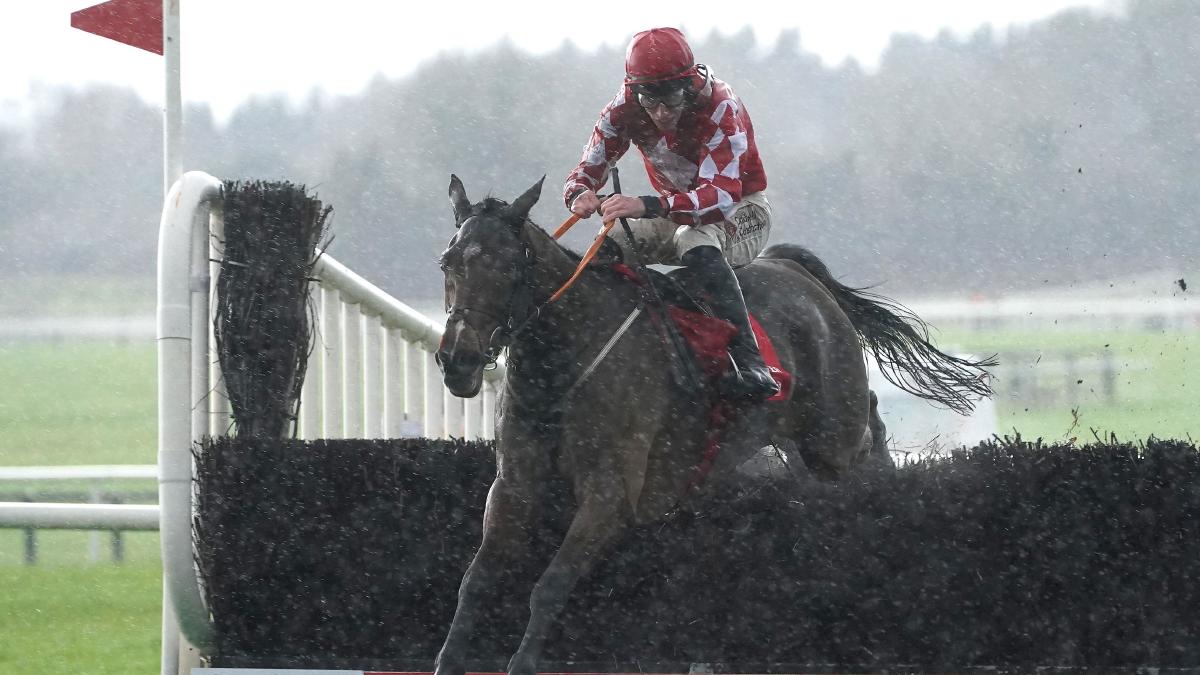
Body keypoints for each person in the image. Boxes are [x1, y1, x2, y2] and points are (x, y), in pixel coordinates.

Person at [563, 26, 780, 401]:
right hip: (678, 206)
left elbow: (720, 196)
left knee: (692, 237)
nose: (662, 113)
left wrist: (648, 205)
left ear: (690, 86)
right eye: (651, 101)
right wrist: (579, 193)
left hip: (742, 207)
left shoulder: (721, 106)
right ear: (635, 92)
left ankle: (750, 360)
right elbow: (589, 166)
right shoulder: (624, 106)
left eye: (672, 100)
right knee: (607, 242)